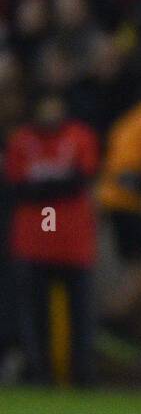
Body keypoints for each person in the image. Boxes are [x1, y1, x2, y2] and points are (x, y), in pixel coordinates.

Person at [4, 90, 99, 385]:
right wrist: (56, 183)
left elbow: (80, 178)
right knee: (36, 312)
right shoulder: (22, 141)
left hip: (73, 243)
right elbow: (18, 185)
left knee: (80, 314)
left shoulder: (79, 137)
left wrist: (43, 185)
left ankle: (82, 374)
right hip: (34, 244)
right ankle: (39, 371)